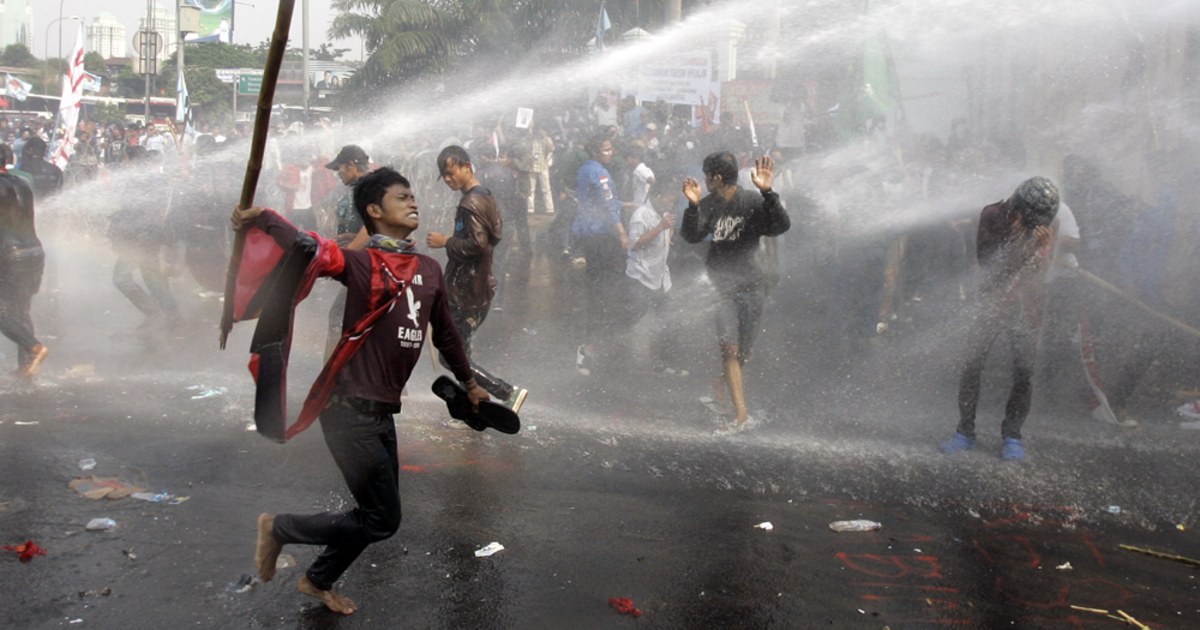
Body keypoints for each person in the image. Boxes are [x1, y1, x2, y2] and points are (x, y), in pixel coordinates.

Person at [235, 166, 489, 615]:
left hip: (380, 412)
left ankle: (318, 579)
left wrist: (470, 385)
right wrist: (262, 219)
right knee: (381, 519)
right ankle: (279, 529)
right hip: (348, 410)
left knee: (373, 516)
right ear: (374, 211)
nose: (413, 202)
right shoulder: (361, 264)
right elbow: (308, 247)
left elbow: (447, 335)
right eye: (401, 197)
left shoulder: (429, 269)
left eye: (413, 196)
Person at [940, 176, 1060, 461]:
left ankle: (1012, 435)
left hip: (1024, 307)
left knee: (1023, 373)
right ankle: (964, 432)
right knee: (972, 365)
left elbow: (1038, 275)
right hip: (990, 302)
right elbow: (990, 265)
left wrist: (1038, 249)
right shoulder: (992, 215)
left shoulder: (1043, 226)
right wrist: (1021, 241)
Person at [681, 152, 790, 429]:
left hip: (753, 287)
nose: (704, 182)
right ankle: (741, 414)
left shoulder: (751, 202)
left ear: (716, 178)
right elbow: (690, 236)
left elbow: (780, 226)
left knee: (742, 355)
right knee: (730, 350)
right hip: (722, 290)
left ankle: (721, 384)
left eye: (707, 176)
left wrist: (768, 193)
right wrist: (692, 207)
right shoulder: (707, 205)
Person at [426, 146, 528, 411]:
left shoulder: (471, 202)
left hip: (468, 290)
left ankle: (506, 392)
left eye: (451, 172)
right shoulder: (484, 197)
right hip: (476, 286)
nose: (448, 179)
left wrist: (445, 241)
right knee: (462, 350)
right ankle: (473, 403)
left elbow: (478, 245)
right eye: (443, 176)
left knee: (451, 356)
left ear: (467, 166)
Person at [572, 134, 629, 375]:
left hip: (590, 236)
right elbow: (606, 205)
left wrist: (625, 205)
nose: (611, 152)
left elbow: (602, 201)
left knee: (598, 292)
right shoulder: (599, 172)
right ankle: (593, 348)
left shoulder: (586, 169)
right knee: (605, 293)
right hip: (602, 239)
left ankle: (595, 345)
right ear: (595, 152)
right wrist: (622, 232)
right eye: (606, 149)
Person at [0, 171, 48, 377]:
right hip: (34, 251)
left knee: (3, 313)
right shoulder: (22, 183)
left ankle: (34, 348)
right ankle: (27, 367)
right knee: (21, 311)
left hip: (10, 253)